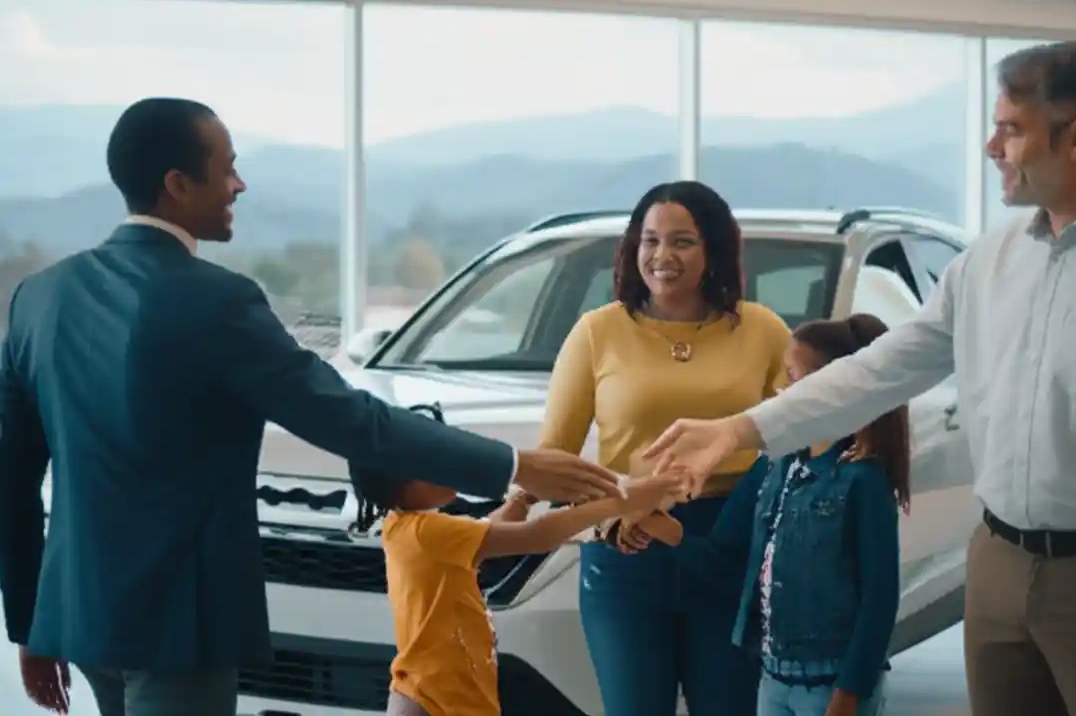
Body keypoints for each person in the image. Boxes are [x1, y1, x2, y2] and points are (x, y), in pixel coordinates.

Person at [645, 41, 1076, 716]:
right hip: (998, 566)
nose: (991, 147)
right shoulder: (988, 262)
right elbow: (877, 372)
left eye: (1012, 129)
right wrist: (740, 429)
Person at [0, 97, 619, 716]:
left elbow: (13, 482)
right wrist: (512, 466)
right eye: (228, 169)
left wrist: (29, 622)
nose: (239, 185)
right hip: (178, 622)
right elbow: (348, 418)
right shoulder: (216, 301)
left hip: (78, 610)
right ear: (178, 184)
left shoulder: (39, 298)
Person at [538, 180, 793, 715]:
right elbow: (553, 459)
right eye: (650, 240)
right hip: (625, 552)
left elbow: (794, 446)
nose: (661, 256)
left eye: (682, 241)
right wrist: (605, 519)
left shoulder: (763, 330)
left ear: (713, 250)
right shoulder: (596, 332)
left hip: (731, 547)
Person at [671, 314, 907, 716]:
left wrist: (849, 692)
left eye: (794, 380)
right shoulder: (772, 465)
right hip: (773, 678)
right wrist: (657, 528)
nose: (782, 393)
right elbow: (722, 554)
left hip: (831, 685)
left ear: (832, 389)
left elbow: (880, 598)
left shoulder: (862, 481)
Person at [347, 452, 684, 716]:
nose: (446, 464)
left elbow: (490, 530)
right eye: (432, 462)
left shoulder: (411, 528)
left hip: (444, 693)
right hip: (436, 699)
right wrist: (620, 502)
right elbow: (537, 536)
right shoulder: (426, 532)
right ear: (401, 483)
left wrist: (525, 497)